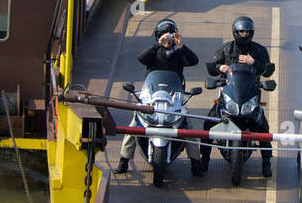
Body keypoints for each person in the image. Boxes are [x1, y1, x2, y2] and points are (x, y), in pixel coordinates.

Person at [117, 20, 199, 175]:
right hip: (152, 98)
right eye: (163, 37)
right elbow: (141, 58)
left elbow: (194, 61)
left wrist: (181, 46)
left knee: (188, 126)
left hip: (174, 98)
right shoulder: (154, 53)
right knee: (134, 124)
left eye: (170, 37)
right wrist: (157, 45)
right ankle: (123, 161)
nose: (167, 40)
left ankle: (196, 163)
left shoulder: (179, 53)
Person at [204, 15, 275, 177]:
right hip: (228, 94)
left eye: (247, 31)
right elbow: (212, 66)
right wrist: (219, 67)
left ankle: (266, 162)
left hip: (250, 95)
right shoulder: (225, 49)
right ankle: (204, 159)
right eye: (241, 31)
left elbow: (269, 70)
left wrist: (254, 63)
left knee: (263, 127)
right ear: (235, 31)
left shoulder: (259, 50)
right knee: (208, 123)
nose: (244, 34)